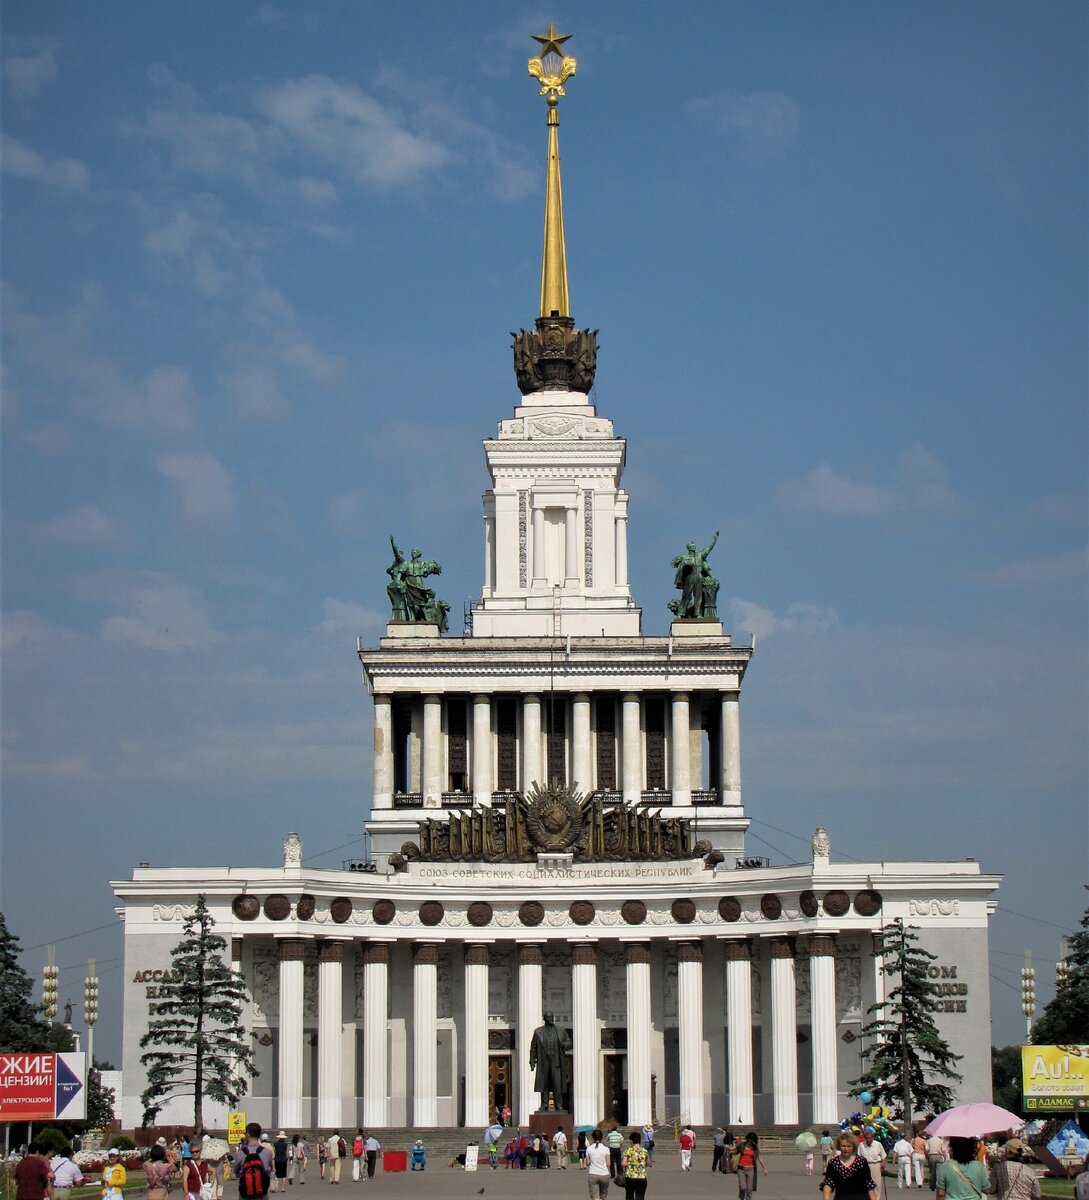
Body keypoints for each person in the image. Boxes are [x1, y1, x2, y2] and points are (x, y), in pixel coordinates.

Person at [529, 1011, 571, 1111]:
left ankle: (558, 1104)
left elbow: (569, 1042)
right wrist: (532, 1062)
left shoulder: (560, 1030)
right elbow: (533, 1048)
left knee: (557, 1084)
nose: (551, 1018)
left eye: (552, 1016)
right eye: (548, 1017)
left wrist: (565, 1045)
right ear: (544, 1019)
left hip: (556, 1062)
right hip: (543, 1062)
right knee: (544, 1084)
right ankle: (544, 1104)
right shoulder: (538, 1032)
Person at [822, 1133, 877, 1200]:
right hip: (841, 1197)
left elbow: (869, 1184)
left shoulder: (862, 1161)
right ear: (839, 1146)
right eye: (843, 1146)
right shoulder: (833, 1163)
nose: (846, 1149)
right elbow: (828, 1183)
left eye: (849, 1146)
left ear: (853, 1147)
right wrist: (826, 1198)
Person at [236, 1125, 273, 1200]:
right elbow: (268, 1171)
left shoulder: (240, 1153)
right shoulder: (267, 1152)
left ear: (247, 1134)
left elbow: (237, 1172)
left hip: (245, 1193)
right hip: (262, 1193)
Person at [736, 1135, 768, 1200]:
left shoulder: (755, 1148)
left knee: (750, 1189)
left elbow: (759, 1157)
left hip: (750, 1169)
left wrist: (764, 1168)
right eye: (749, 1140)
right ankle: (741, 1196)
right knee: (743, 1187)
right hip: (741, 1169)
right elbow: (733, 1148)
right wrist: (727, 1148)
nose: (750, 1142)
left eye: (752, 1141)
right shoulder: (742, 1145)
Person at [621, 1131, 649, 1200]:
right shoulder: (644, 1151)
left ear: (631, 1141)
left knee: (629, 1196)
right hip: (642, 1177)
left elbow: (623, 1164)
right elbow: (648, 1163)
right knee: (640, 1196)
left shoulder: (628, 1150)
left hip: (630, 1177)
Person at [586, 1131, 612, 1200]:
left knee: (594, 1197)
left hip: (593, 1174)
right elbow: (608, 1164)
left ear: (592, 1138)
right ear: (602, 1137)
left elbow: (588, 1163)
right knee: (603, 1197)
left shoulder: (589, 1148)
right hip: (604, 1174)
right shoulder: (606, 1149)